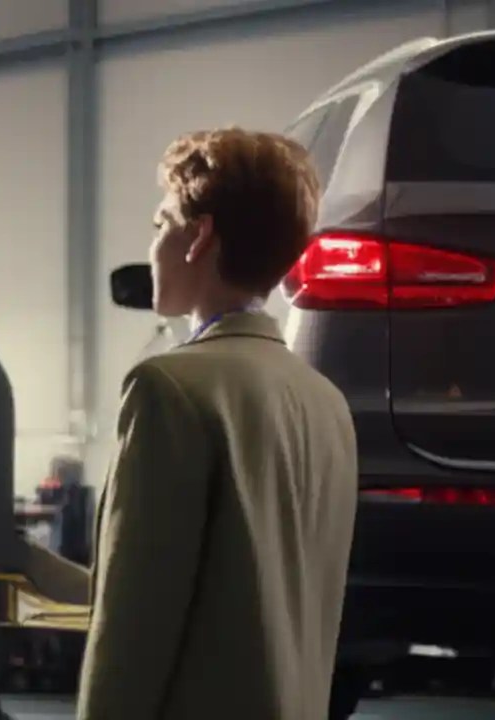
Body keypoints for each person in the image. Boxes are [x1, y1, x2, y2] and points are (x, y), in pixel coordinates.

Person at [76, 128, 358, 720]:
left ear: (198, 235)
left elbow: (134, 626)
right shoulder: (327, 404)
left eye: (160, 226)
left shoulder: (170, 390)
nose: (152, 246)